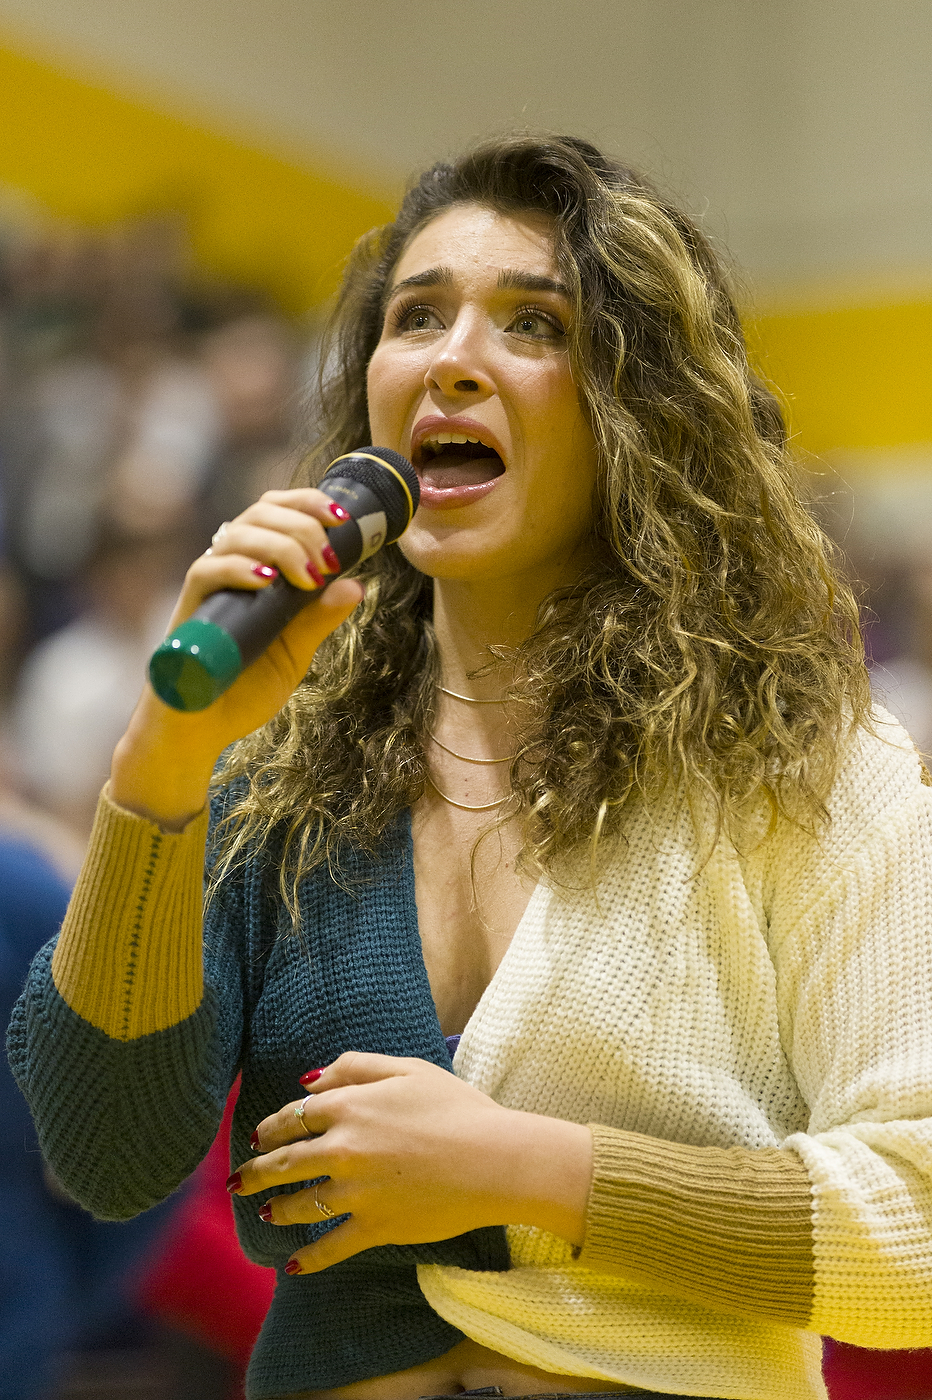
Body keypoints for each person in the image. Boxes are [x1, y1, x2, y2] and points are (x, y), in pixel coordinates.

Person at [8, 135, 932, 1400]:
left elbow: (913, 1232)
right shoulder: (279, 762)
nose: (452, 359)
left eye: (532, 324)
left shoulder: (802, 756)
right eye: (416, 316)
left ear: (636, 406)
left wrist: (522, 1168)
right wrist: (163, 762)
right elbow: (107, 1148)